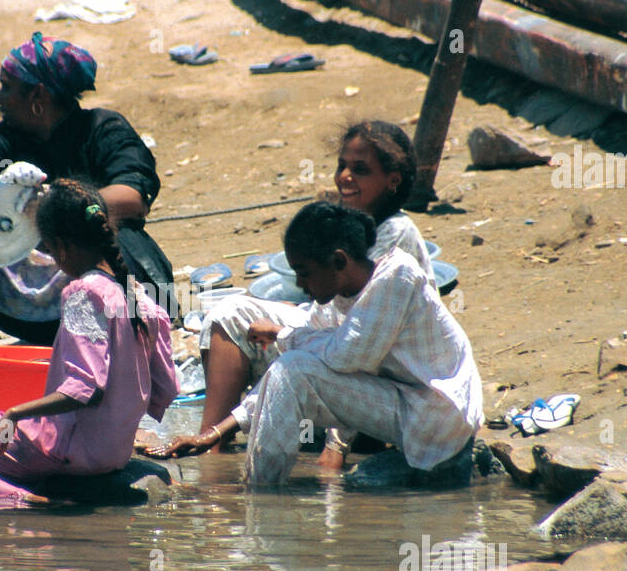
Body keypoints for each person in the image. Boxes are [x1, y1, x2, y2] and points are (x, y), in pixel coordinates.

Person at [150, 202, 482, 487]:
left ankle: (259, 495)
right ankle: (258, 490)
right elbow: (294, 367)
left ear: (339, 261)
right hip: (401, 400)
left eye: (304, 273)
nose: (298, 284)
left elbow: (344, 356)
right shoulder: (334, 300)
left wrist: (282, 335)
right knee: (292, 366)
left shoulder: (398, 276)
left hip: (436, 416)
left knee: (293, 369)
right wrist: (215, 433)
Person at [0, 179, 179, 507]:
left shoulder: (82, 294)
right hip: (112, 450)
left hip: (71, 449)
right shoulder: (141, 299)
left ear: (60, 247)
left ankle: (30, 501)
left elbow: (86, 389)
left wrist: (15, 413)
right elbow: (167, 387)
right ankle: (9, 484)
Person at [191, 120, 433, 466]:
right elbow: (332, 313)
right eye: (342, 166)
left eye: (360, 170)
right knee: (230, 314)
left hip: (380, 382)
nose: (345, 177)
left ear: (393, 180)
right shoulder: (349, 222)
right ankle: (211, 443)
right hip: (335, 342)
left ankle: (327, 441)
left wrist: (335, 449)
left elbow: (363, 349)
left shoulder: (395, 238)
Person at [0, 31, 173, 345]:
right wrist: (7, 189)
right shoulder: (7, 136)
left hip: (90, 270)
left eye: (6, 88)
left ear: (37, 96)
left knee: (125, 241)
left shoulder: (104, 129)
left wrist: (51, 206)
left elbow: (132, 197)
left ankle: (125, 356)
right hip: (23, 280)